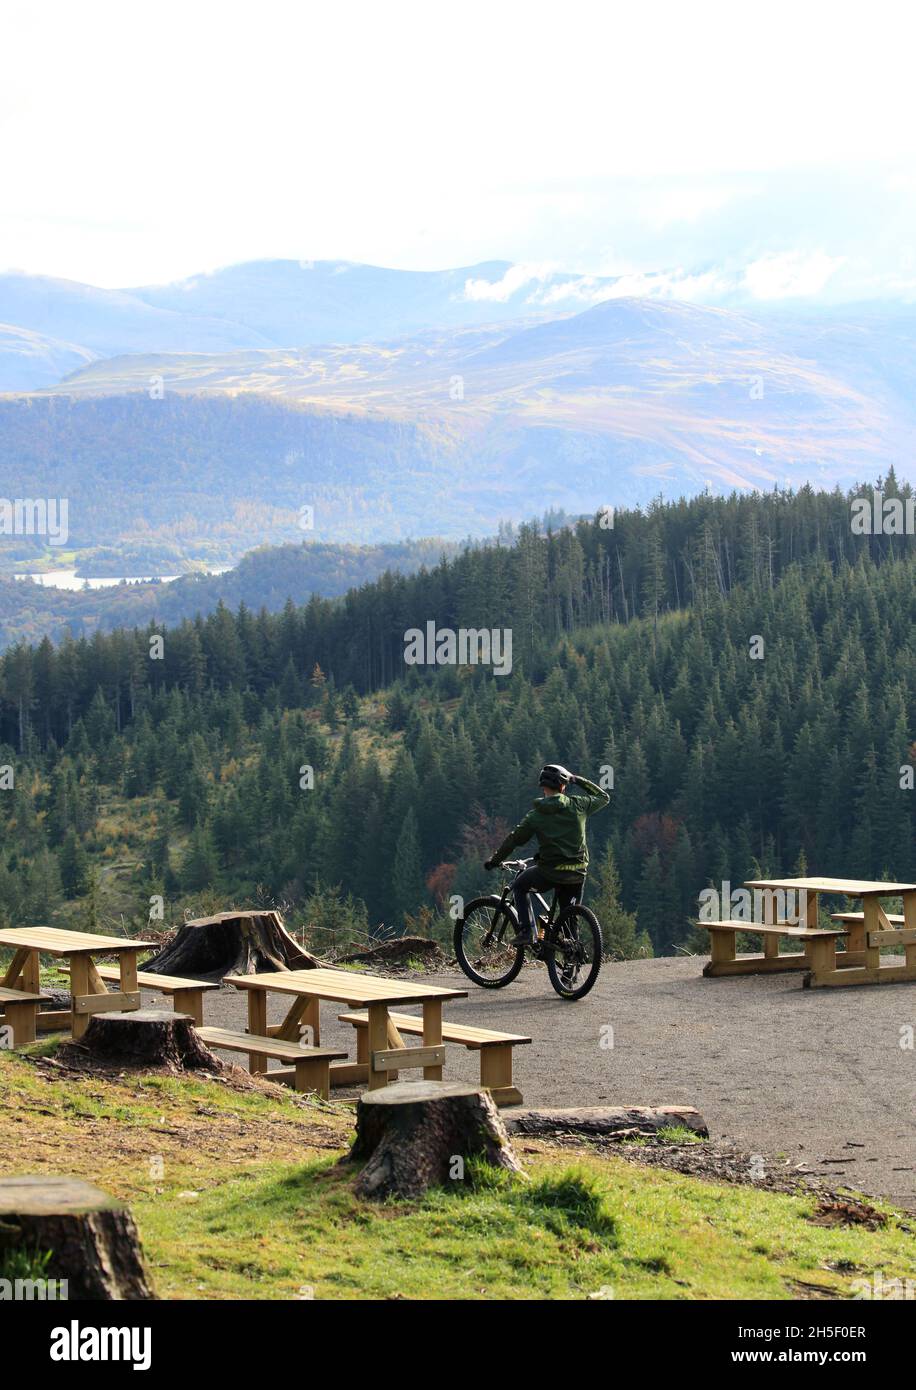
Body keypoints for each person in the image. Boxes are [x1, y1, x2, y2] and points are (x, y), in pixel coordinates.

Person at [484, 763, 610, 945]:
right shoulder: (578, 805)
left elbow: (514, 840)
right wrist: (577, 779)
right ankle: (571, 965)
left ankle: (527, 932)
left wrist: (495, 860)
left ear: (543, 787)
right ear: (563, 786)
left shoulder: (535, 816)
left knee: (519, 886)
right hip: (577, 873)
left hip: (549, 872)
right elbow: (603, 797)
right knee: (569, 916)